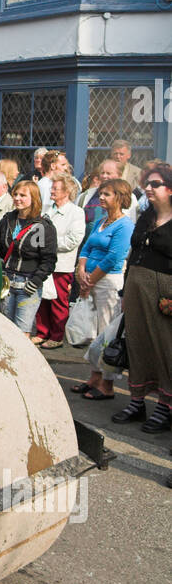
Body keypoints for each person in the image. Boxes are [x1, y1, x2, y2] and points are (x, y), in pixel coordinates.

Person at [111, 163, 172, 435]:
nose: (148, 188)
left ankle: (165, 406)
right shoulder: (145, 216)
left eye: (155, 184)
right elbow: (133, 254)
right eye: (147, 184)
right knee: (136, 344)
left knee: (164, 349)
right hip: (136, 287)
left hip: (164, 293)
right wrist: (125, 291)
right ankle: (137, 402)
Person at [0, 179, 57, 334]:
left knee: (22, 332)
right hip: (7, 283)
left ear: (34, 198)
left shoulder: (42, 226)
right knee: (5, 329)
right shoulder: (7, 220)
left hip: (28, 285)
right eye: (15, 194)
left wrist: (35, 282)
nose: (17, 198)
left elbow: (48, 260)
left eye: (22, 195)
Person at [32, 173, 85, 349]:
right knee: (41, 298)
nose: (51, 190)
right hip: (42, 262)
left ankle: (56, 335)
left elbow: (73, 240)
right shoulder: (46, 209)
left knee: (58, 301)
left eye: (55, 188)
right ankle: (41, 332)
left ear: (67, 191)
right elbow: (37, 232)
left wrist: (49, 245)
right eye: (52, 187)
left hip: (61, 265)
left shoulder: (76, 212)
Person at [76, 179, 134, 335]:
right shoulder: (101, 221)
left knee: (105, 330)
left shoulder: (125, 225)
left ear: (120, 198)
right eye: (100, 193)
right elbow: (86, 247)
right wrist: (81, 269)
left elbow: (113, 258)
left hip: (107, 283)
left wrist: (89, 281)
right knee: (90, 330)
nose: (101, 197)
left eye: (106, 194)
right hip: (89, 279)